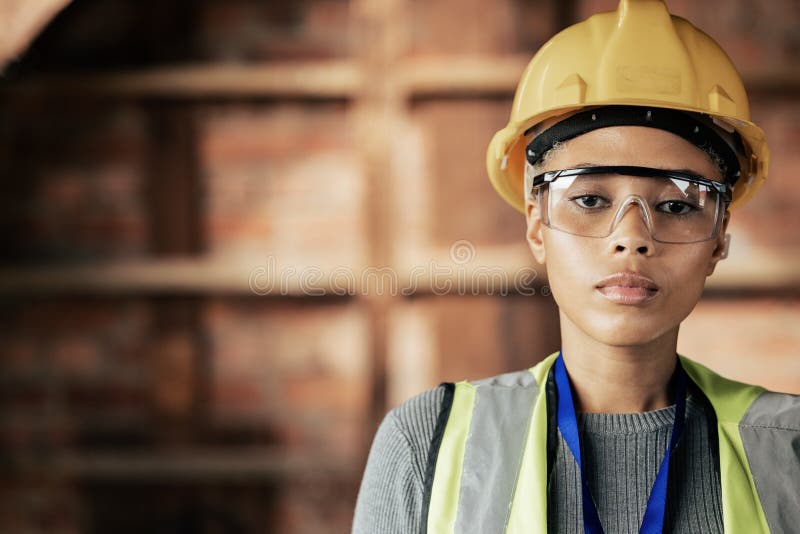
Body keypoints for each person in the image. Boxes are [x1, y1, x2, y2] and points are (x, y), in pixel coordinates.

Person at [352, 1, 799, 532]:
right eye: (589, 200)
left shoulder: (787, 449)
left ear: (720, 238)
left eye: (677, 205)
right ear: (536, 224)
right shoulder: (427, 443)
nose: (631, 239)